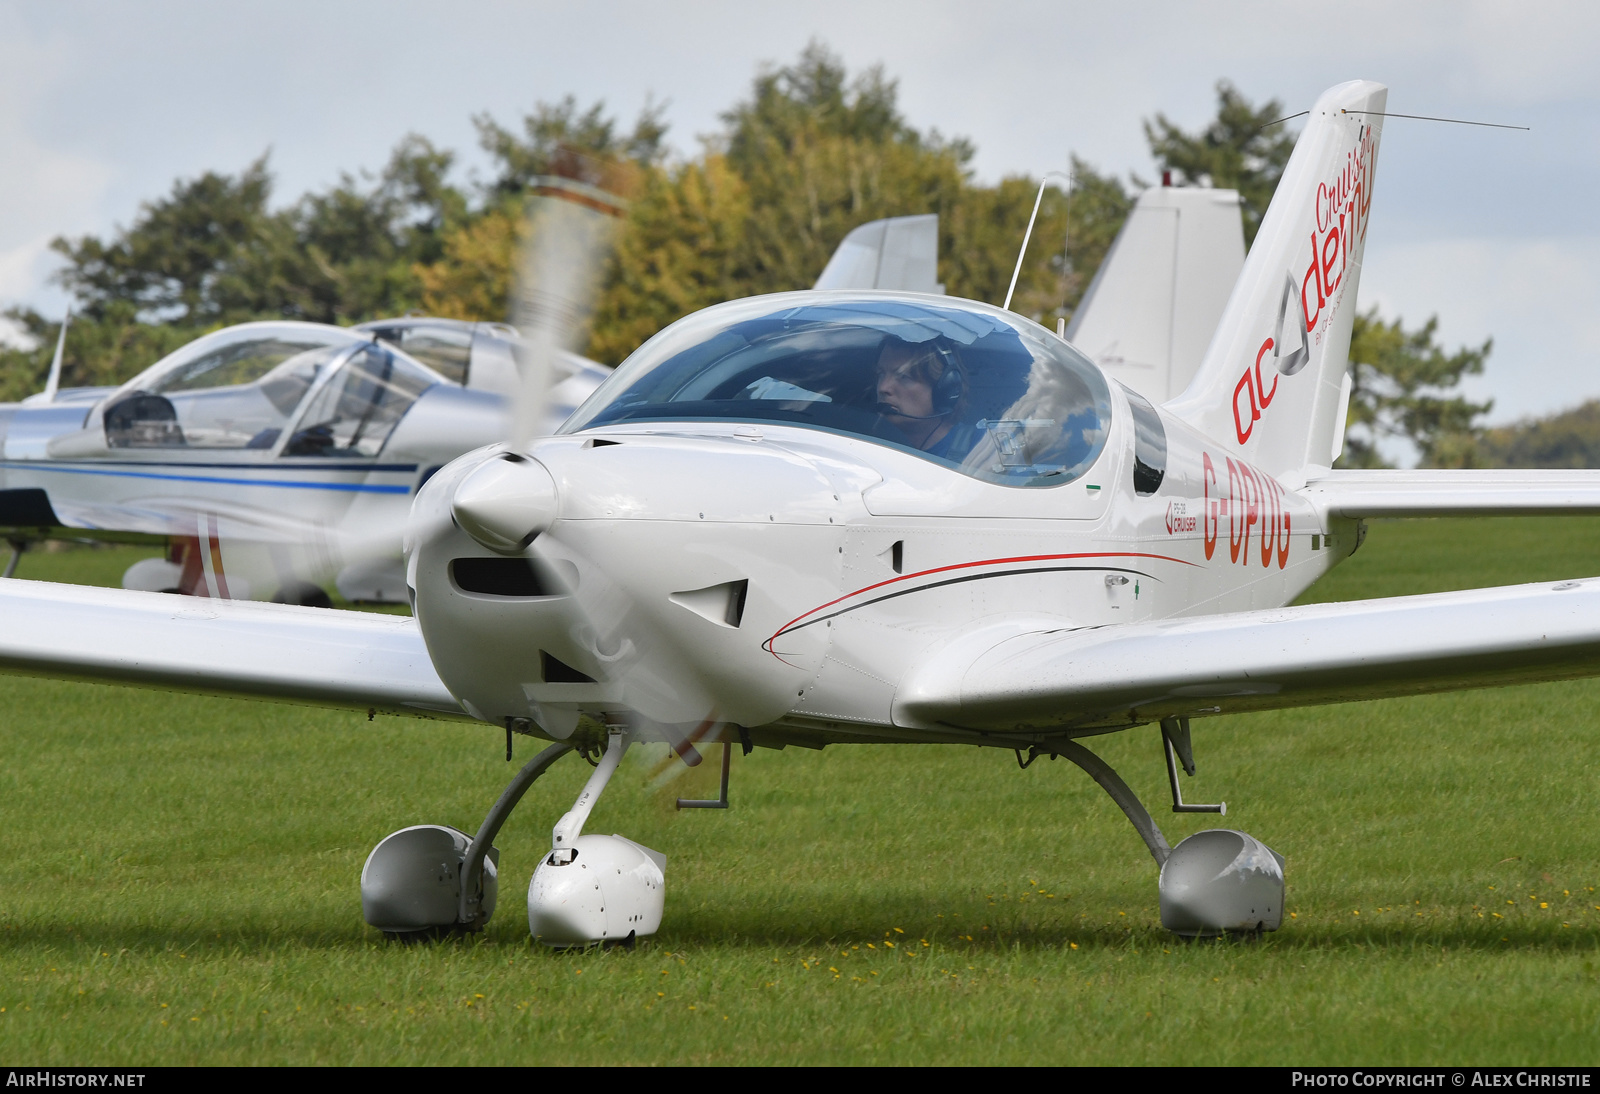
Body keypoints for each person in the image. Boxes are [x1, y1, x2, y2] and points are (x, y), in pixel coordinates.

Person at [874, 337, 966, 456]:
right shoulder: (860, 443)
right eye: (881, 374)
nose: (883, 387)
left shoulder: (983, 450)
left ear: (945, 389)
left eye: (903, 377)